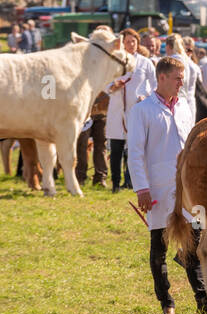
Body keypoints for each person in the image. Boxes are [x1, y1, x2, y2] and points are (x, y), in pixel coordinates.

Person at [127, 55, 207, 314]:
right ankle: (166, 301)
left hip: (190, 188)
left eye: (182, 78)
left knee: (197, 244)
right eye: (177, 78)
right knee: (159, 250)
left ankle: (204, 302)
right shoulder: (142, 110)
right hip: (159, 188)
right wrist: (142, 188)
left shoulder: (185, 105)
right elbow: (135, 153)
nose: (181, 82)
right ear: (161, 78)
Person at [104, 29, 157, 193]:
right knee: (116, 147)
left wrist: (146, 97)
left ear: (137, 43)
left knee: (134, 147)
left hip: (137, 108)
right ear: (122, 44)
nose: (131, 44)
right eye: (127, 42)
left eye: (133, 41)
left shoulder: (145, 62)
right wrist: (114, 86)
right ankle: (115, 183)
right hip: (117, 107)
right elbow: (105, 84)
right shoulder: (114, 61)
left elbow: (155, 85)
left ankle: (130, 181)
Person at [75, 92, 110, 189]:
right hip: (85, 110)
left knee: (101, 145)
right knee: (81, 145)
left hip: (102, 111)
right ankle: (80, 177)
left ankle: (100, 178)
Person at [163, 34, 199, 118]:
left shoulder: (172, 60)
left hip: (175, 102)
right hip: (186, 101)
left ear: (168, 46)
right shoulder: (187, 60)